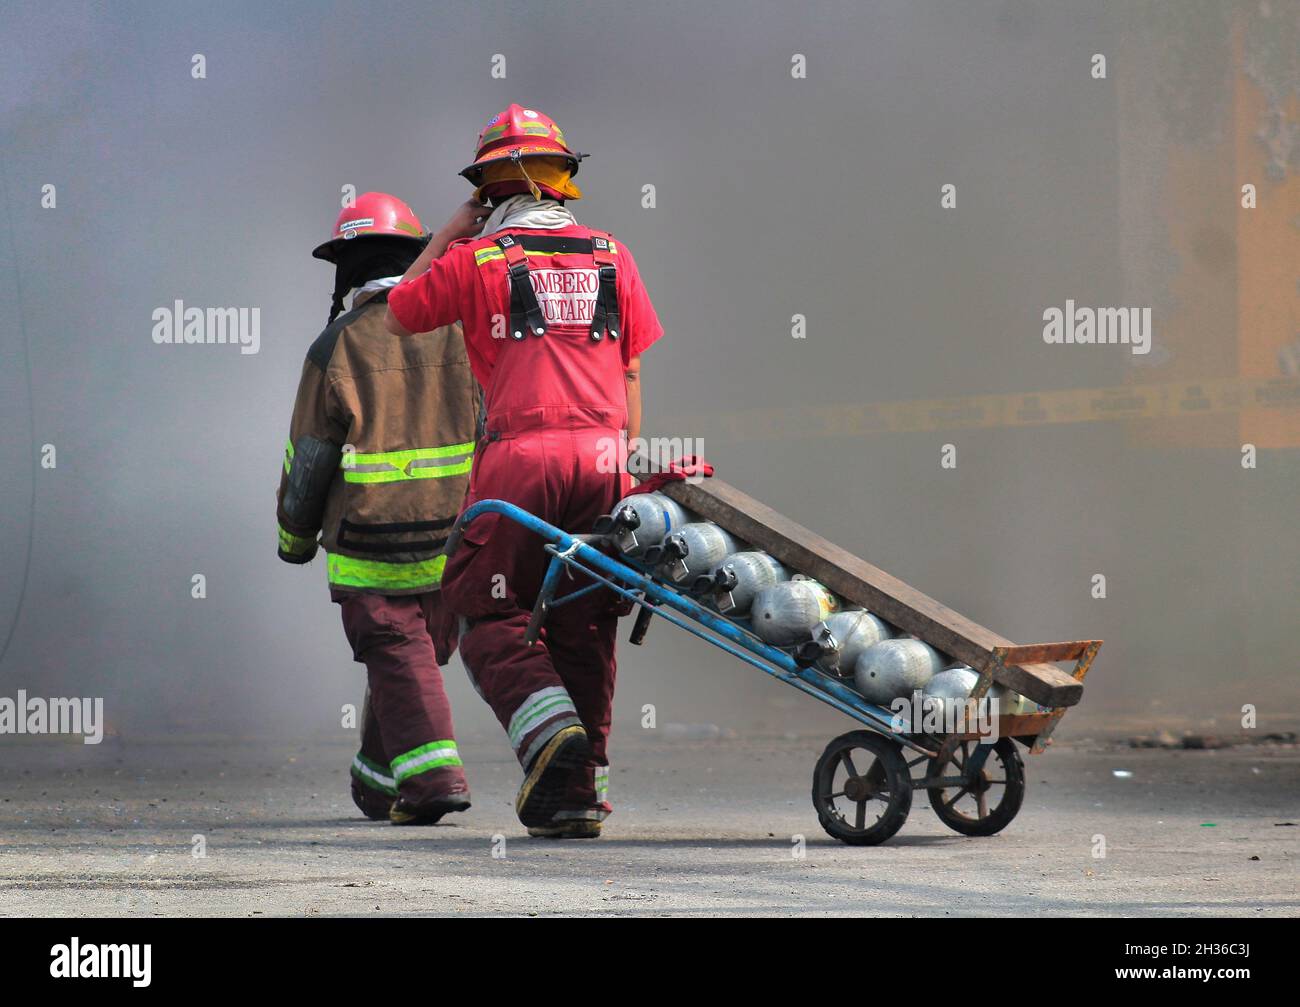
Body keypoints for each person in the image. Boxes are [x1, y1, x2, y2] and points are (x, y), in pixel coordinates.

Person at [384, 104, 663, 838]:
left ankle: (547, 734)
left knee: (480, 606)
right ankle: (578, 795)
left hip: (521, 460)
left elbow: (401, 310)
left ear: (490, 190)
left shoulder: (476, 260)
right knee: (586, 618)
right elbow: (630, 369)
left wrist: (452, 228)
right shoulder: (612, 253)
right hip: (606, 458)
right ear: (561, 182)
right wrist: (625, 471)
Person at [276, 192, 480, 825]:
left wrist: (294, 537)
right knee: (406, 661)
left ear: (347, 269)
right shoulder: (464, 328)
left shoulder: (336, 344)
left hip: (369, 542)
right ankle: (375, 782)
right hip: (456, 538)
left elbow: (310, 456)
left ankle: (433, 782)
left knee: (397, 653)